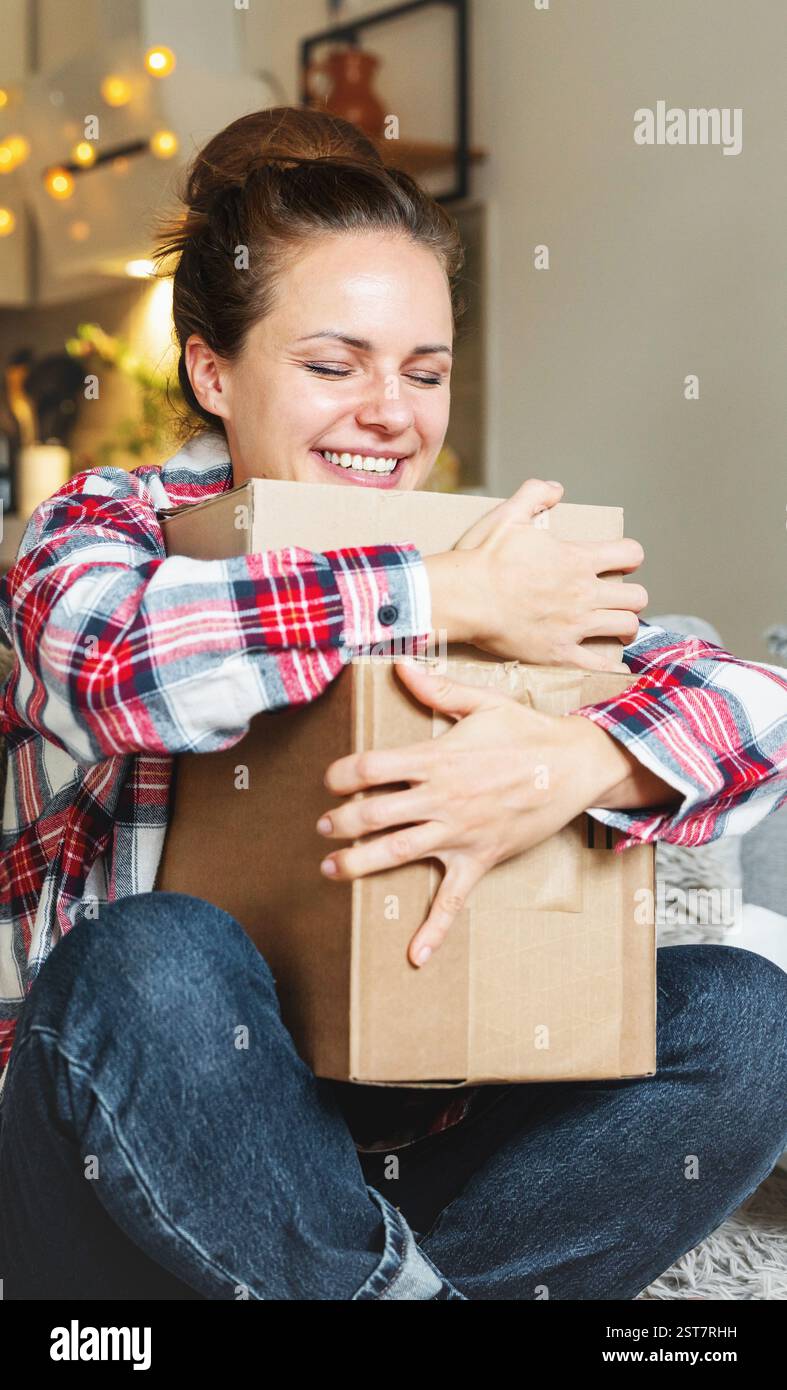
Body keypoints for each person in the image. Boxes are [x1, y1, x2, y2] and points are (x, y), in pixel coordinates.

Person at [0, 107, 785, 1301]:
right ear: (213, 369)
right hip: (138, 1148)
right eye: (332, 366)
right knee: (158, 957)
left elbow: (750, 701)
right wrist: (438, 593)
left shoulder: (479, 539)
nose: (391, 414)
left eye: (424, 372)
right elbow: (110, 664)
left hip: (402, 1149)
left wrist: (581, 763)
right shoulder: (104, 527)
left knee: (747, 1018)